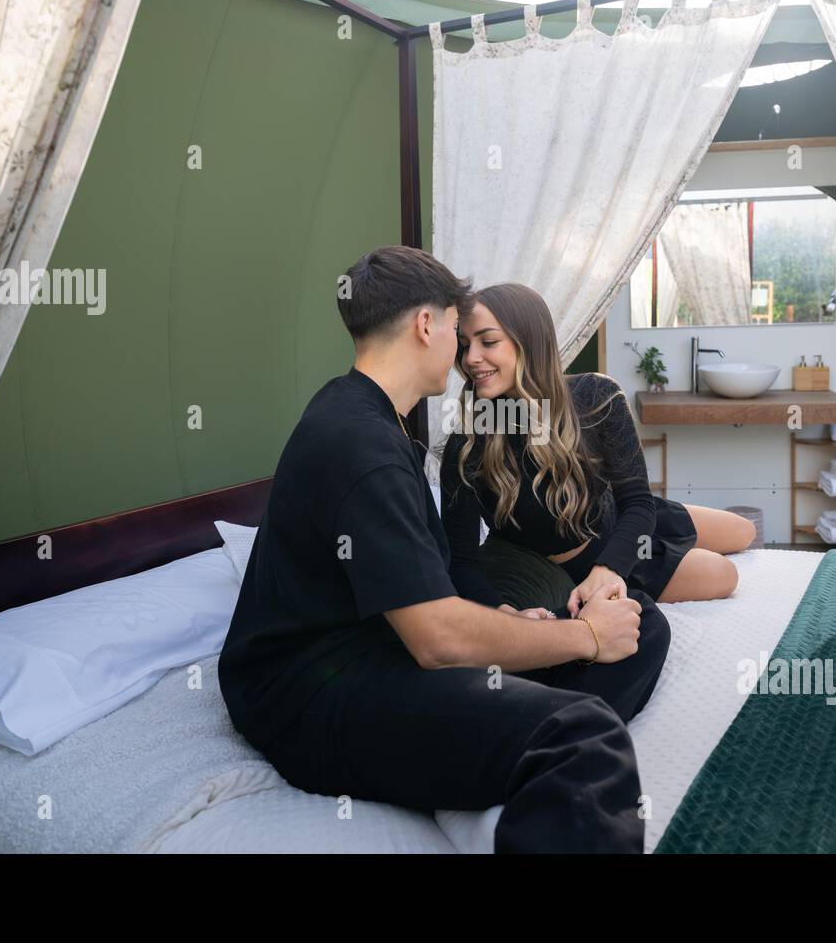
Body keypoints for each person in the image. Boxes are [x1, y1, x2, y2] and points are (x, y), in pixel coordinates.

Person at [218, 246, 670, 853]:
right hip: (311, 696)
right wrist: (583, 639)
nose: (464, 354)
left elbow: (429, 592)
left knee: (643, 628)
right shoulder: (364, 448)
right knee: (582, 735)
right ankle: (512, 752)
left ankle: (502, 739)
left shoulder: (370, 418)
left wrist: (514, 624)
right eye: (460, 332)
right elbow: (439, 641)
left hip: (384, 645)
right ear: (427, 325)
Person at [441, 283, 756, 618]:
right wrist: (505, 614)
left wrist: (613, 562)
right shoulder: (468, 442)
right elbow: (461, 561)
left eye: (488, 341)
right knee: (724, 575)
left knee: (744, 531)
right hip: (590, 556)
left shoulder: (596, 396)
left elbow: (637, 502)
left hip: (621, 522)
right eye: (465, 345)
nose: (471, 358)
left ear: (529, 342)